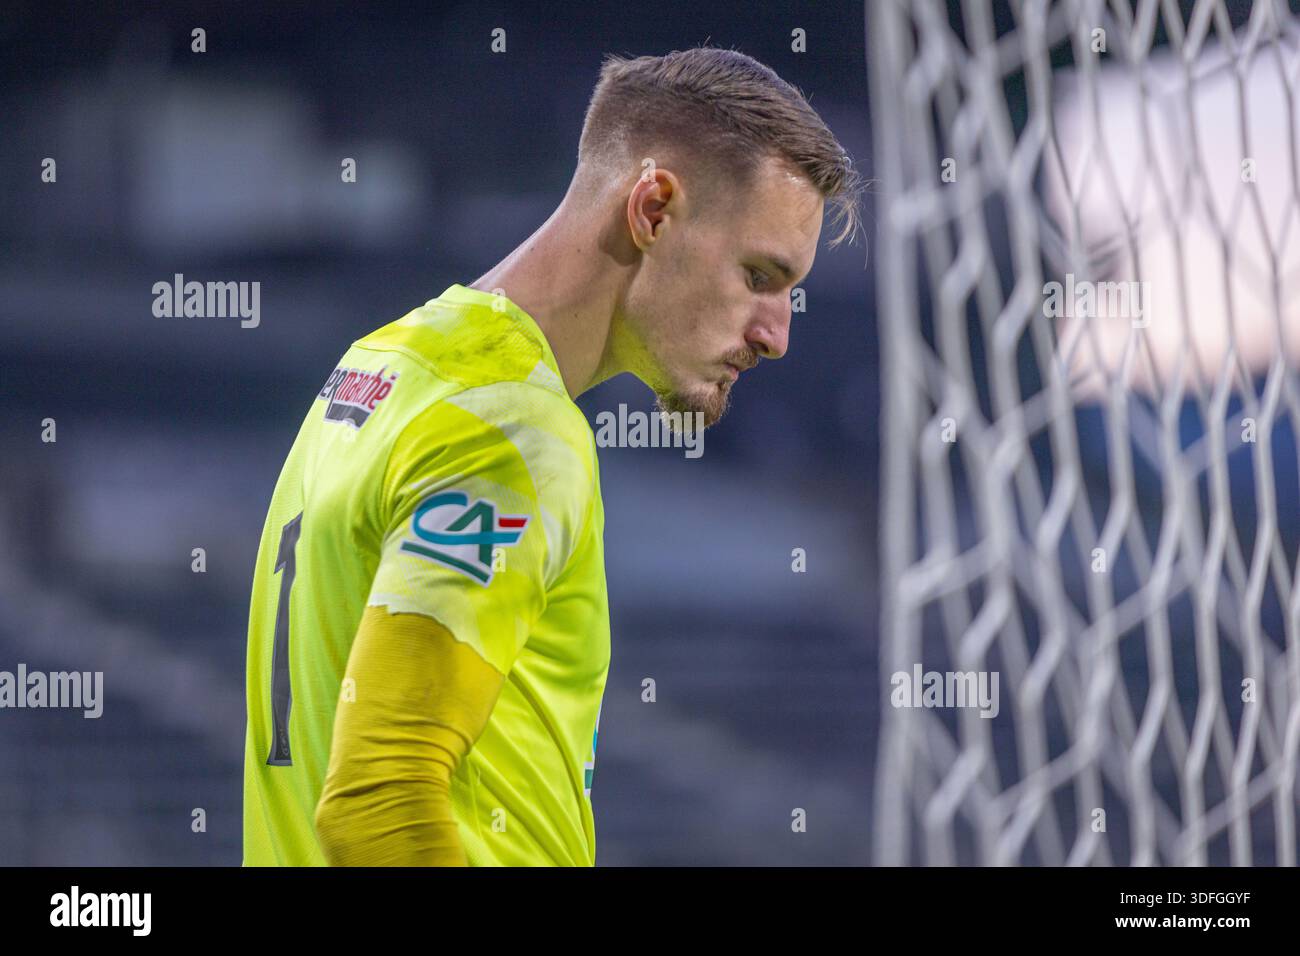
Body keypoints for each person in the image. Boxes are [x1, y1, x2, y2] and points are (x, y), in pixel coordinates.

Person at [242, 45, 861, 866]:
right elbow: (379, 805)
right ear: (652, 209)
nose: (776, 335)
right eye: (759, 274)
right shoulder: (511, 430)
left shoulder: (384, 366)